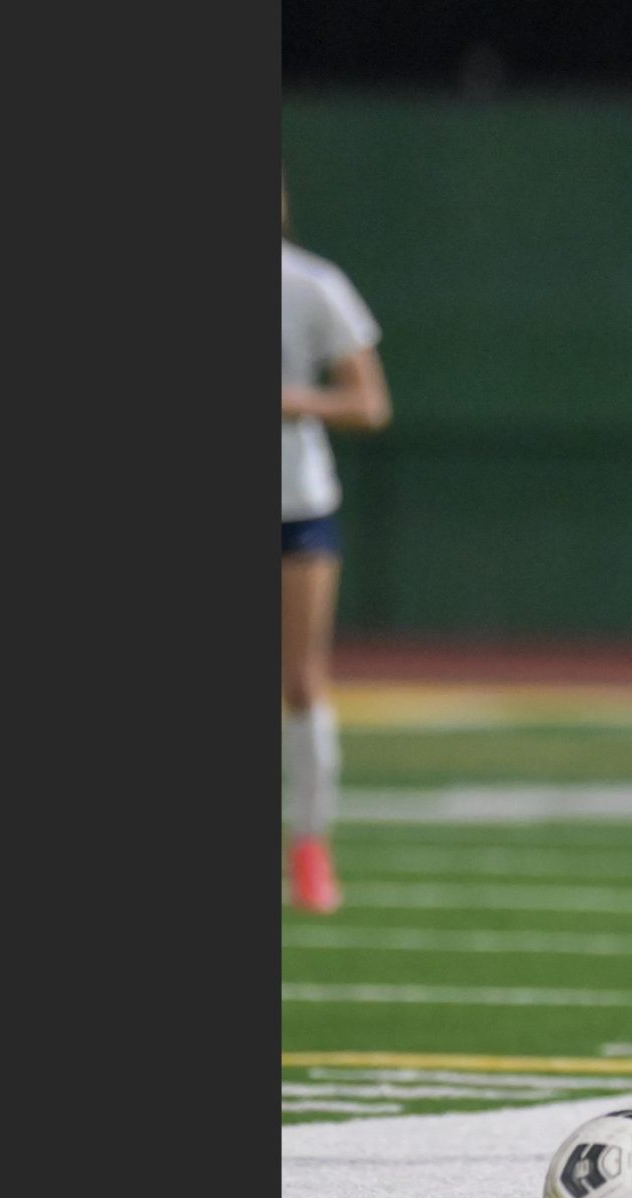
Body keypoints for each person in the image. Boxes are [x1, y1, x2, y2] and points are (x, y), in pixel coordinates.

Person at [281, 175, 393, 913]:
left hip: (296, 503)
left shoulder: (314, 284)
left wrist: (297, 401)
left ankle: (311, 844)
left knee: (300, 680)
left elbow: (370, 402)